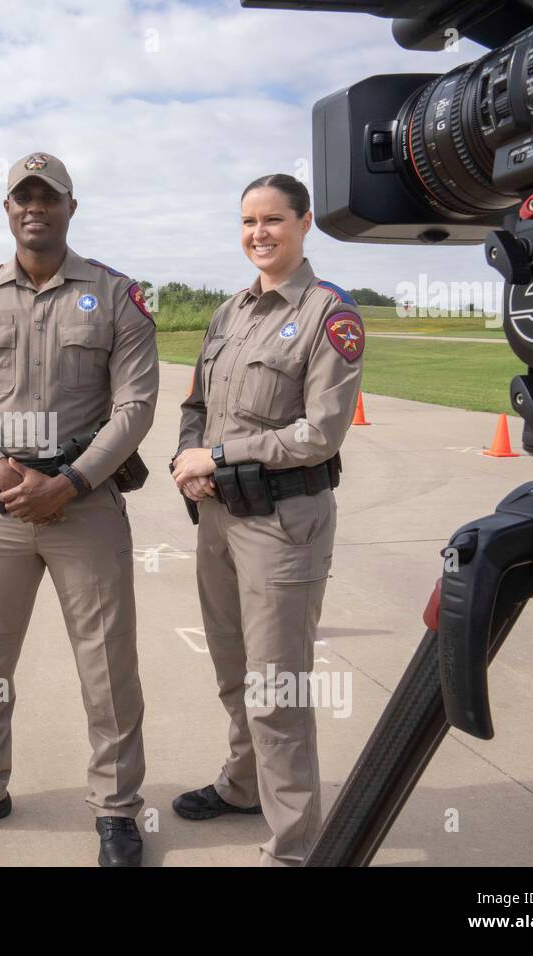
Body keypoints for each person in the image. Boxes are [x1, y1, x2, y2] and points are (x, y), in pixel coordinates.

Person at [0, 152, 160, 867]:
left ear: (69, 208)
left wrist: (72, 482)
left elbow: (136, 406)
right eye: (23, 197)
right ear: (7, 210)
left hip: (83, 506)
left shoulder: (117, 295)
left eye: (48, 197)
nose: (35, 208)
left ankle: (117, 808)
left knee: (107, 666)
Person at [170, 173, 365, 866]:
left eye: (273, 219)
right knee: (232, 672)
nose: (259, 232)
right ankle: (244, 784)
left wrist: (216, 455)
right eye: (248, 220)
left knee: (275, 688)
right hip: (220, 519)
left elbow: (320, 434)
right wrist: (183, 455)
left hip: (283, 526)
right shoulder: (228, 314)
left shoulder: (327, 313)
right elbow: (196, 403)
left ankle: (293, 846)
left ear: (305, 222)